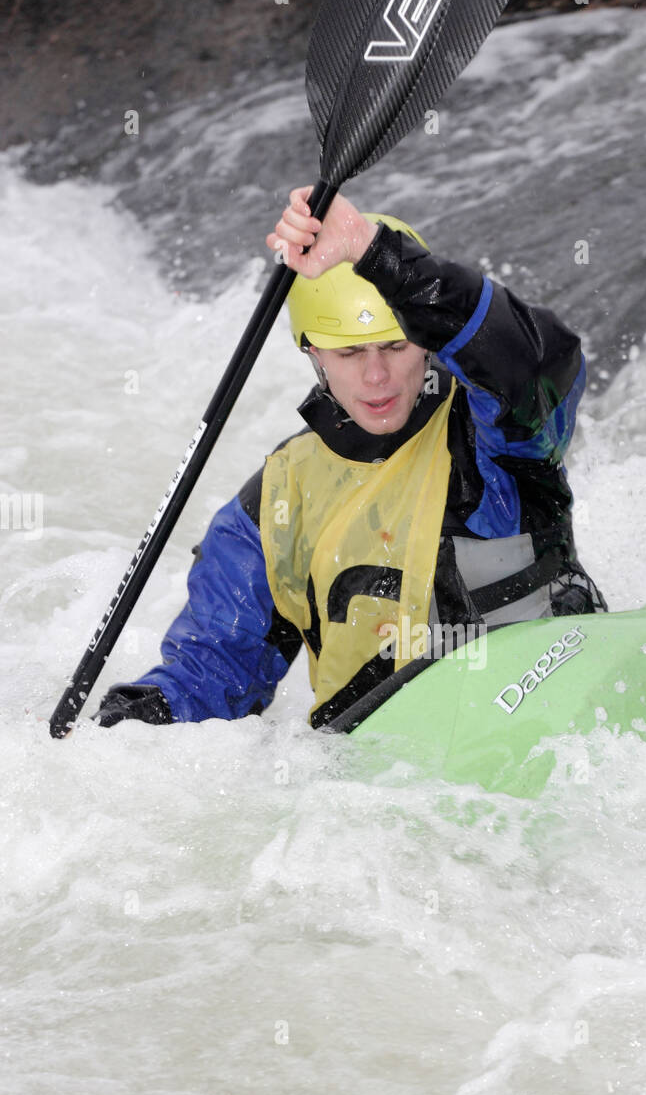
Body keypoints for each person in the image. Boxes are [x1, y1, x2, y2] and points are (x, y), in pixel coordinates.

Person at [96, 186, 606, 733]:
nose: (376, 376)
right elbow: (215, 668)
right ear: (312, 352)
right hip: (375, 777)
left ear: (427, 341)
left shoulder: (492, 436)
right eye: (349, 352)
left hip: (532, 714)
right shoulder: (273, 504)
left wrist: (376, 252)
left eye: (394, 346)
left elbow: (536, 361)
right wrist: (140, 716)